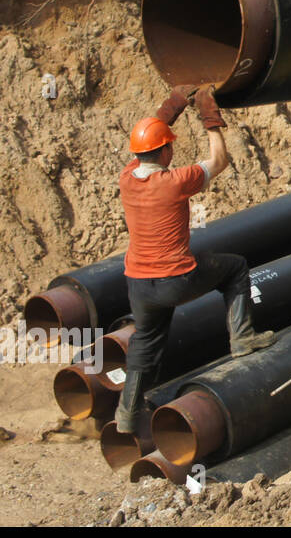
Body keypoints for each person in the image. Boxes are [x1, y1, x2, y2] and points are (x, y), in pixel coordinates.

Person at [113, 85, 276, 434]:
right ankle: (242, 339)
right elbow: (219, 160)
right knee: (234, 267)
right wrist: (209, 117)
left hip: (138, 285)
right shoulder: (175, 181)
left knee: (145, 339)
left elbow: (147, 143)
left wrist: (173, 106)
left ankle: (127, 413)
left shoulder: (127, 178)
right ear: (167, 150)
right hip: (176, 279)